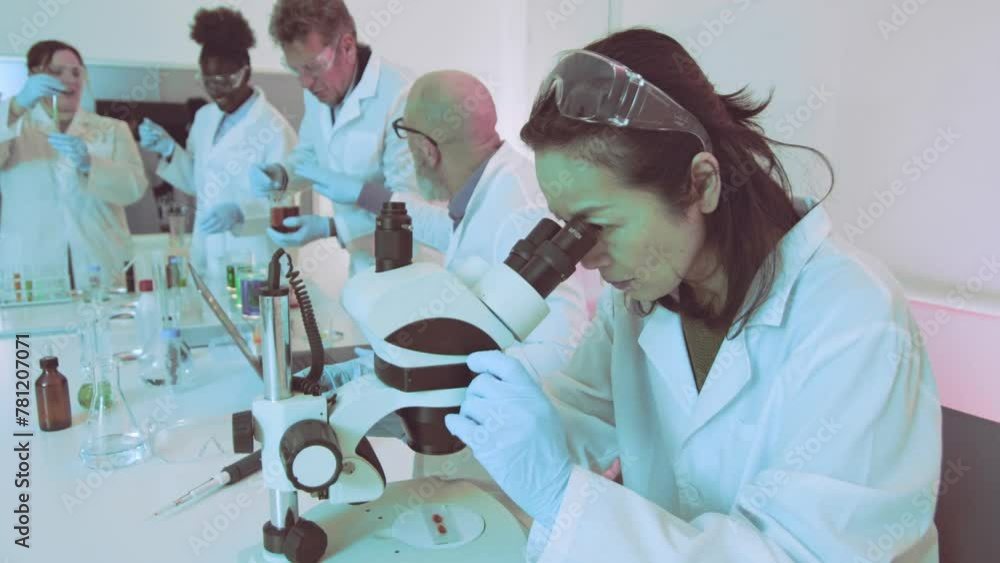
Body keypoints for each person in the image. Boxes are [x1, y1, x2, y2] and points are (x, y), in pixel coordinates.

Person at [444, 29, 942, 562]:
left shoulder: (854, 320)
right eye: (567, 228)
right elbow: (575, 414)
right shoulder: (642, 299)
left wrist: (558, 494)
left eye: (597, 226)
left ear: (701, 184)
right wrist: (454, 403)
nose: (582, 257)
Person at [254, 0, 444, 276]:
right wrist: (281, 175)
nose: (305, 82)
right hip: (362, 263)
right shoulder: (319, 92)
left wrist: (331, 227)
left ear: (347, 46)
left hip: (411, 266)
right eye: (296, 69)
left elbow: (411, 208)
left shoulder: (400, 95)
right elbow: (309, 155)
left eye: (313, 66)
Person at [139, 7, 297, 277]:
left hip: (256, 258)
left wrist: (241, 212)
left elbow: (287, 205)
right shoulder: (205, 118)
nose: (217, 91)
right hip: (208, 251)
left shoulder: (274, 129)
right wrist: (169, 149)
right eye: (209, 81)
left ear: (246, 73)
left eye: (226, 80)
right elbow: (197, 182)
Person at [0, 40, 147, 287]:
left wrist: (91, 165)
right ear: (33, 77)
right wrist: (17, 106)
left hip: (99, 262)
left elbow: (133, 189)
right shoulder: (15, 128)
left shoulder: (112, 129)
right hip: (32, 268)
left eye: (76, 72)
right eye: (56, 72)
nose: (69, 79)